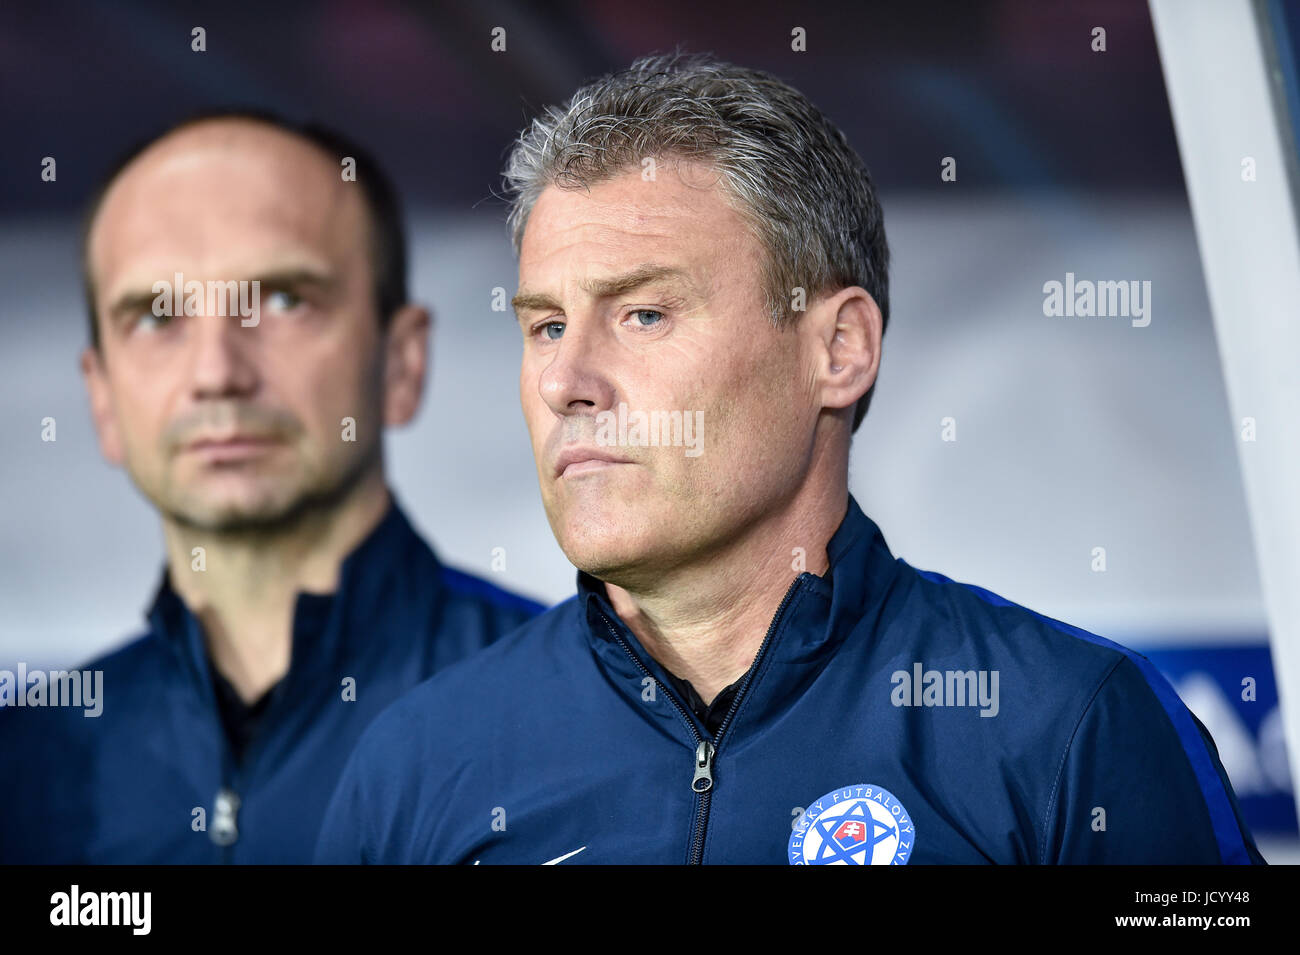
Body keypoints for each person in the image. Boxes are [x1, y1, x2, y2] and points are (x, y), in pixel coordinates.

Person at [315, 54, 1264, 865]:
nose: (567, 379)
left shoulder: (1070, 727)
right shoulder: (417, 763)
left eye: (643, 313)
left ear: (839, 348)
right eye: (547, 324)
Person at [0, 111, 542, 863]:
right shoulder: (26, 766)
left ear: (401, 362)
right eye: (158, 316)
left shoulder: (571, 716)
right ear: (101, 399)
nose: (218, 373)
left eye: (283, 300)